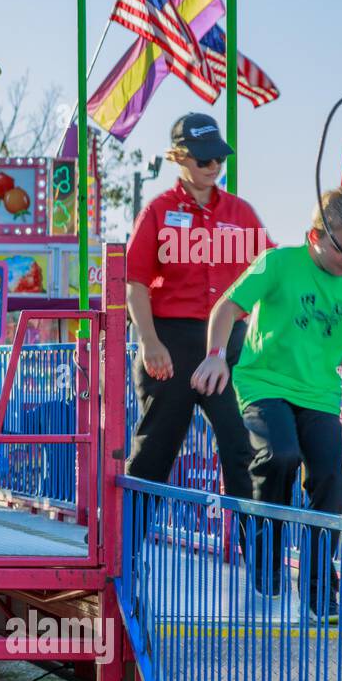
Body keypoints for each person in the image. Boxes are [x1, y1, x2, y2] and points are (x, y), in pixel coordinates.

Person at [192, 188, 342, 620]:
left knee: (332, 479)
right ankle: (266, 556)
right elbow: (227, 307)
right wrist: (216, 355)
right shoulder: (279, 263)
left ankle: (318, 585)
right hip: (264, 383)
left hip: (318, 393)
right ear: (315, 235)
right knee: (279, 457)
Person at [125, 113, 269, 505]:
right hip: (170, 343)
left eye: (217, 159)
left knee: (244, 450)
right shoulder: (157, 211)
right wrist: (149, 341)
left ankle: (263, 563)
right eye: (203, 159)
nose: (213, 167)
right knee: (156, 452)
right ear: (179, 157)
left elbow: (273, 272)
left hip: (228, 345)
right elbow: (135, 283)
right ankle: (122, 554)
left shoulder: (241, 214)